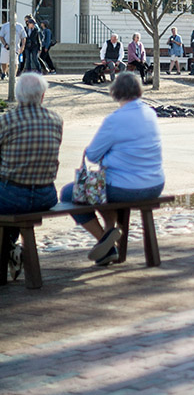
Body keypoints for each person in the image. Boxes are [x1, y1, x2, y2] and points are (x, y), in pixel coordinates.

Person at [60, 72, 164, 266]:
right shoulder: (150, 113)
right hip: (155, 184)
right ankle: (109, 229)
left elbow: (92, 154)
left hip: (126, 188)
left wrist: (108, 157)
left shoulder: (114, 120)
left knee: (68, 193)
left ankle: (105, 240)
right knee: (105, 186)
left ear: (115, 92)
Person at [0, 73, 63, 280]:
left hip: (12, 195)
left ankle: (9, 250)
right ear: (43, 96)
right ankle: (11, 249)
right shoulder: (56, 120)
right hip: (46, 195)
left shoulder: (6, 121)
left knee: (10, 197)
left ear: (18, 96)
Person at [0, 16, 26, 81]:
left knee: (15, 62)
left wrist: (23, 46)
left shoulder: (20, 26)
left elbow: (23, 37)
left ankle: (13, 76)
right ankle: (4, 73)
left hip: (16, 47)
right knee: (4, 61)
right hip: (6, 47)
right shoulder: (5, 26)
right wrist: (5, 44)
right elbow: (1, 36)